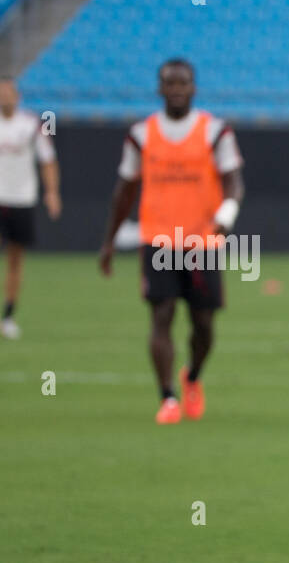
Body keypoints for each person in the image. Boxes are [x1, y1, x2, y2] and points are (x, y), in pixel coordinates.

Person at [98, 58, 244, 424]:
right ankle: (167, 398)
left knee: (204, 324)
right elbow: (125, 190)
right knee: (161, 315)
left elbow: (234, 182)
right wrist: (109, 240)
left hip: (202, 242)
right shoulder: (142, 134)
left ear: (194, 88)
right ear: (160, 89)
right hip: (160, 240)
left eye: (184, 83)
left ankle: (192, 376)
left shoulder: (215, 131)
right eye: (170, 83)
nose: (177, 90)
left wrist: (226, 215)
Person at [0, 75, 61, 339]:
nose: (4, 97)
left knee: (15, 260)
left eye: (8, 92)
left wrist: (52, 192)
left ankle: (9, 315)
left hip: (22, 199)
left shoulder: (33, 125)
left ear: (17, 96)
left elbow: (48, 160)